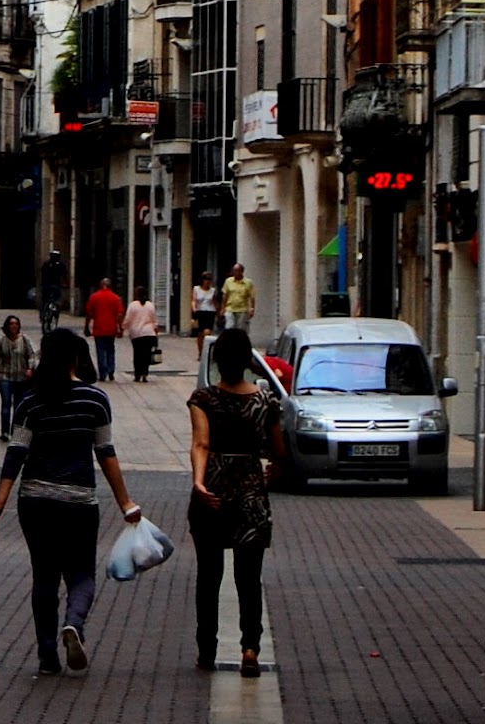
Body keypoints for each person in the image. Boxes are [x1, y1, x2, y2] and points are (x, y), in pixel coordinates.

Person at [0, 328, 141, 677]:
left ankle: (47, 656)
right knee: (82, 572)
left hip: (35, 502)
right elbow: (106, 453)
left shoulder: (29, 401)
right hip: (79, 502)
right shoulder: (94, 400)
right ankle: (74, 624)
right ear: (74, 358)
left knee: (44, 576)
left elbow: (16, 453)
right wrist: (126, 503)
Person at [187, 327, 285, 677]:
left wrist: (199, 481)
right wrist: (273, 467)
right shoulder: (264, 400)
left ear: (216, 362)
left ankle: (206, 649)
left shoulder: (204, 399)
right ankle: (249, 647)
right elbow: (278, 451)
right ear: (247, 362)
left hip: (212, 489)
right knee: (249, 577)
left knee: (208, 575)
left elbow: (201, 443)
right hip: (250, 494)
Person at [0, 315, 35, 441]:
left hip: (21, 378)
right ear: (7, 326)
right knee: (6, 403)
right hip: (5, 376)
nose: (13, 326)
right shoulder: (1, 341)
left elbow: (31, 355)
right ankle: (4, 431)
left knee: (18, 406)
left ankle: (15, 430)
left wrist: (30, 368)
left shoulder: (24, 340)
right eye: (11, 324)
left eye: (16, 323)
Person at [83, 277, 124, 382]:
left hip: (99, 329)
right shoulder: (115, 298)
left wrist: (86, 326)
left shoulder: (94, 297)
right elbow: (119, 314)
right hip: (111, 329)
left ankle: (102, 373)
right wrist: (120, 328)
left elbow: (89, 313)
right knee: (110, 349)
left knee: (100, 351)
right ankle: (111, 369)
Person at [122, 286, 161, 382]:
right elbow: (154, 320)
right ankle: (145, 374)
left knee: (137, 354)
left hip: (136, 334)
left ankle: (137, 374)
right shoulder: (150, 305)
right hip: (149, 333)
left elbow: (128, 319)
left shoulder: (132, 305)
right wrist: (156, 330)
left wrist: (123, 328)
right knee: (146, 354)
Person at [221, 263, 256, 333]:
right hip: (230, 308)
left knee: (241, 329)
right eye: (234, 270)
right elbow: (225, 295)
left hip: (242, 309)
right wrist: (223, 308)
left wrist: (252, 308)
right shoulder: (228, 281)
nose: (235, 272)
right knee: (229, 327)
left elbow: (252, 297)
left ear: (241, 271)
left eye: (237, 270)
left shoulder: (248, 282)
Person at [39, 250, 68, 330]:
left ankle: (42, 315)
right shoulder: (61, 265)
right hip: (56, 286)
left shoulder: (46, 264)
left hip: (46, 286)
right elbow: (64, 276)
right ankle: (55, 313)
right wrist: (65, 284)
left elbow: (42, 274)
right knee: (57, 301)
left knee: (44, 301)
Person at [191, 271, 218, 348]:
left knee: (207, 332)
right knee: (200, 333)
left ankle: (206, 349)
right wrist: (194, 308)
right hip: (200, 311)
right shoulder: (196, 289)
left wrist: (218, 311)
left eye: (209, 279)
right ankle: (200, 351)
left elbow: (214, 302)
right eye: (206, 279)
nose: (207, 281)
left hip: (210, 312)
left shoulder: (212, 290)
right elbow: (194, 300)